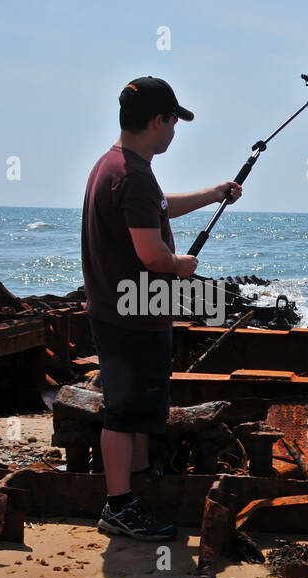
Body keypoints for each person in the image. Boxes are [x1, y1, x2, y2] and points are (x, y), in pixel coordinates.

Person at [80, 76, 241, 541]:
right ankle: (119, 505)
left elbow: (157, 208)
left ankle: (133, 491)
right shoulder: (133, 176)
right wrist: (181, 265)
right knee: (122, 412)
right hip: (131, 312)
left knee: (131, 410)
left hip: (120, 308)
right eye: (174, 122)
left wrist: (212, 194)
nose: (175, 132)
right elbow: (152, 256)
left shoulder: (113, 166)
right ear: (158, 121)